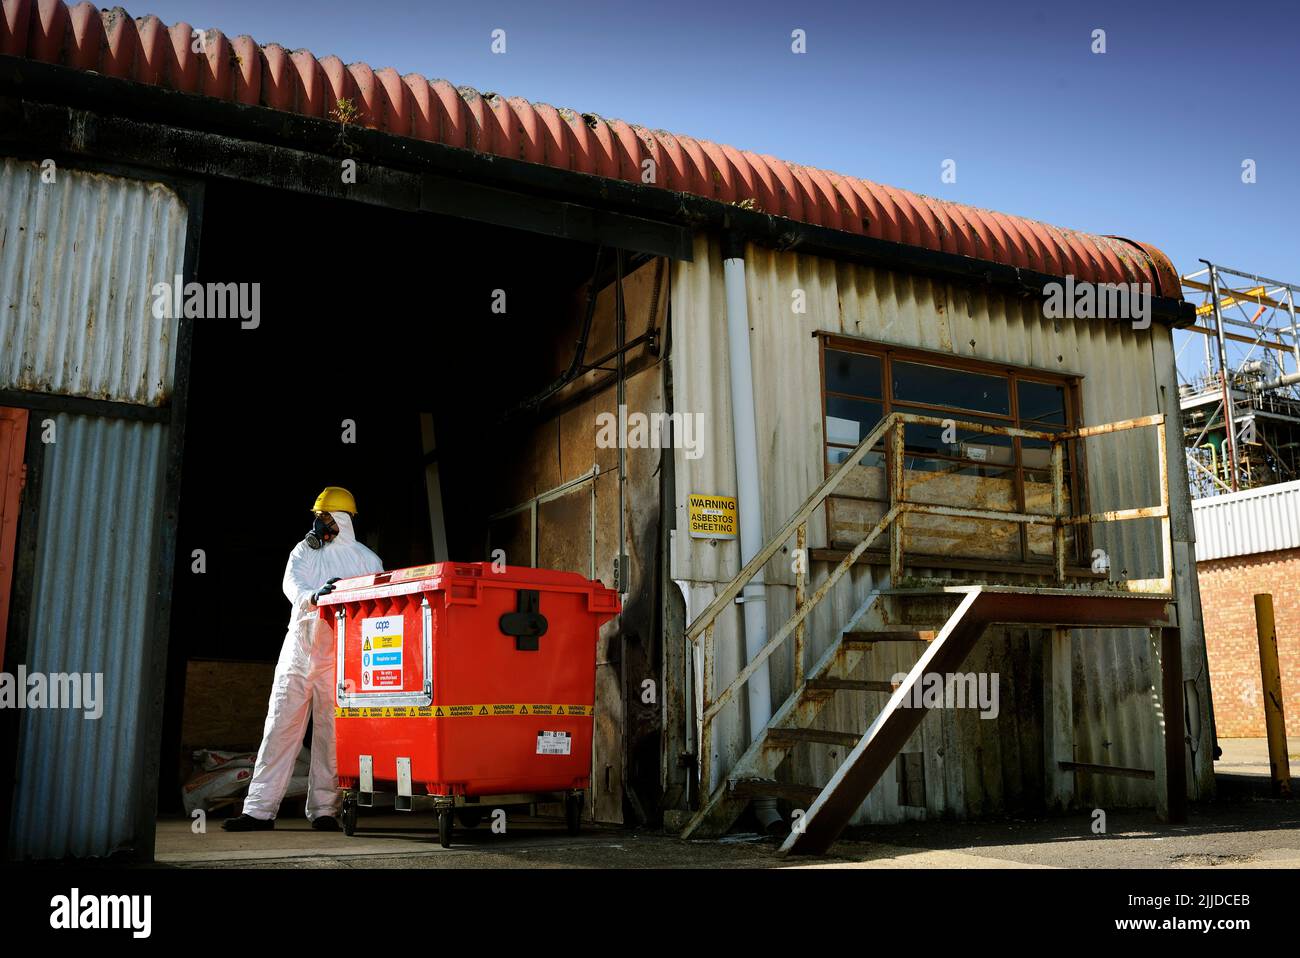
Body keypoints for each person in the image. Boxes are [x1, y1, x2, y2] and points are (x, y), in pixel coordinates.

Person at [223, 487, 383, 831]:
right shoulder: (304, 551)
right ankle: (258, 810)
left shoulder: (368, 560)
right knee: (279, 728)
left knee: (331, 736)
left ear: (343, 520)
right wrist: (313, 596)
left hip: (340, 656)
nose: (318, 522)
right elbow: (291, 584)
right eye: (318, 516)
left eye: (325, 516)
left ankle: (325, 809)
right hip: (299, 650)